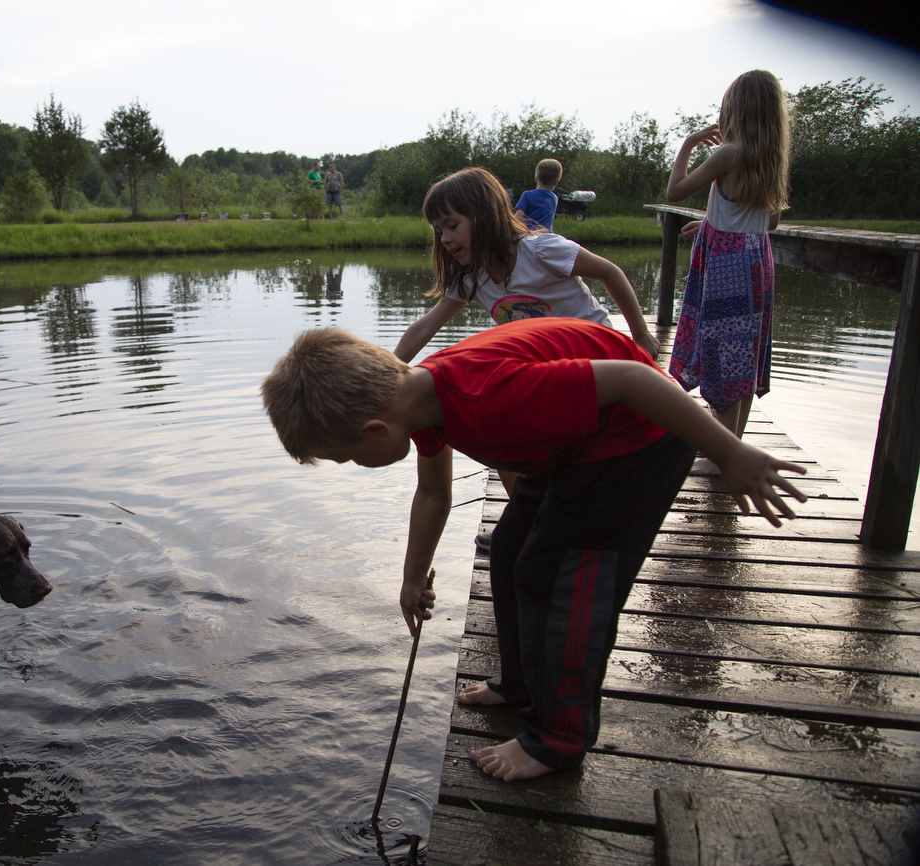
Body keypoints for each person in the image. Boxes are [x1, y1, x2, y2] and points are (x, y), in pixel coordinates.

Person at [260, 319, 807, 782]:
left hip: (640, 443)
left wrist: (730, 452)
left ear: (375, 430)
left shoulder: (487, 396)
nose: (355, 465)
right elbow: (434, 492)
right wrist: (410, 578)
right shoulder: (421, 399)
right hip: (579, 445)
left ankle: (558, 739)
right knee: (511, 550)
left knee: (559, 576)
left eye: (348, 457)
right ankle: (520, 682)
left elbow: (636, 380)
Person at [392, 166, 659, 497]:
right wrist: (387, 375)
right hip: (546, 369)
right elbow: (426, 326)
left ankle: (553, 507)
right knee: (501, 435)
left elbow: (610, 272)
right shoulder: (472, 277)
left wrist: (641, 334)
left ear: (485, 215)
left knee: (573, 446)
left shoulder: (541, 250)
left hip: (596, 355)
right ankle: (524, 511)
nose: (445, 239)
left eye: (452, 225)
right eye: (438, 231)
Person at [666, 70, 790, 475]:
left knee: (721, 349)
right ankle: (732, 445)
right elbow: (766, 222)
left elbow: (675, 192)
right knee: (744, 349)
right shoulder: (771, 157)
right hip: (756, 260)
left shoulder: (726, 154)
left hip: (725, 263)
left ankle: (721, 455)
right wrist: (711, 222)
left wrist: (687, 143)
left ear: (734, 109)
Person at [514, 158, 562, 231]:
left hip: (531, 235)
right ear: (556, 182)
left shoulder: (527, 195)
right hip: (548, 236)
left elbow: (518, 218)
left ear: (536, 179)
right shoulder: (554, 198)